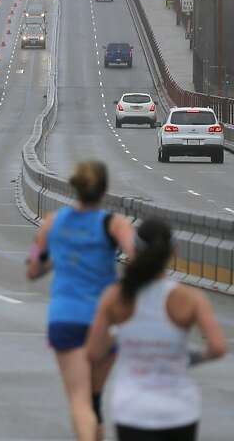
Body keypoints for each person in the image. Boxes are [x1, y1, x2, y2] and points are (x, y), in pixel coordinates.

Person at [85, 219, 227, 441]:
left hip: (132, 410)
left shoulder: (115, 296)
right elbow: (218, 346)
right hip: (179, 411)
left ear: (135, 249)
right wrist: (192, 357)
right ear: (174, 251)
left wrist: (119, 337)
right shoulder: (190, 298)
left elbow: (94, 351)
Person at [27, 161, 135, 441]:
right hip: (104, 322)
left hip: (66, 318)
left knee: (79, 400)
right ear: (104, 189)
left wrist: (59, 257)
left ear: (74, 187)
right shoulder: (114, 224)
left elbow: (33, 269)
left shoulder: (52, 223)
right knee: (94, 401)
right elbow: (138, 258)